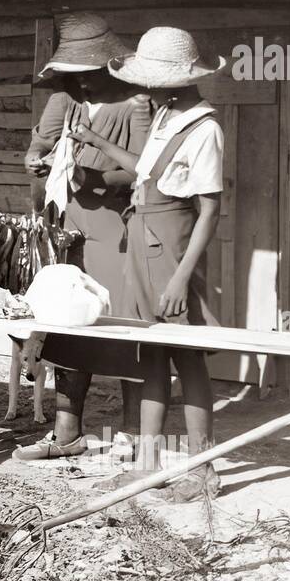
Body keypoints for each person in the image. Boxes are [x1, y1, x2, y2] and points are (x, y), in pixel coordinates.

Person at [69, 26, 227, 503]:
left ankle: (204, 469)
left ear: (175, 80)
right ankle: (148, 465)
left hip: (172, 245)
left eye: (150, 80)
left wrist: (181, 277)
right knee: (150, 353)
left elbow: (210, 210)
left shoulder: (204, 127)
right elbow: (146, 169)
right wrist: (94, 137)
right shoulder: (165, 116)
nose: (143, 88)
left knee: (187, 356)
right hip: (142, 238)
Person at [14, 13, 150, 460]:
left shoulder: (136, 103)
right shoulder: (65, 97)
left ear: (108, 66)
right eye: (74, 75)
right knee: (66, 325)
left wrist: (98, 178)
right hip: (71, 228)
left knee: (124, 327)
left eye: (88, 76)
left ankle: (131, 433)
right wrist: (37, 159)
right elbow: (39, 144)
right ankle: (66, 432)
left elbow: (142, 169)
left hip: (119, 229)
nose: (81, 85)